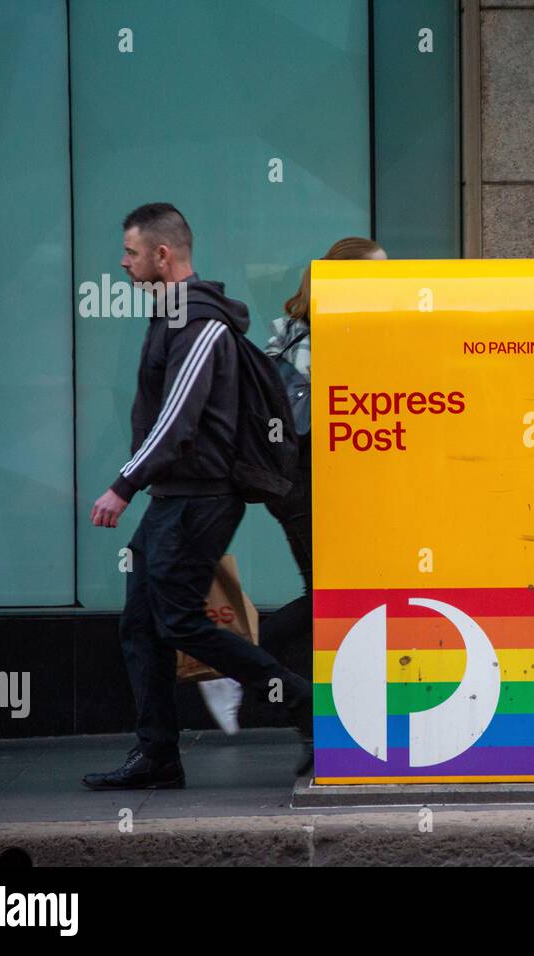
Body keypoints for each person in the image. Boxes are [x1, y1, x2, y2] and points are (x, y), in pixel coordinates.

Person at [82, 202, 314, 790]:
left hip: (200, 498)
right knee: (140, 624)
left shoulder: (200, 324)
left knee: (180, 621)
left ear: (163, 255)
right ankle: (157, 754)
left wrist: (122, 485)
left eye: (132, 252)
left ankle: (300, 701)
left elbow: (177, 420)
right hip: (175, 496)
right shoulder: (171, 316)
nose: (124, 262)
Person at [198, 237, 387, 734]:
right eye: (378, 273)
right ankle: (233, 665)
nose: (389, 282)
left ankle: (302, 706)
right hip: (299, 484)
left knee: (328, 591)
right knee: (329, 593)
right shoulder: (318, 338)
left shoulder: (305, 330)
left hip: (303, 484)